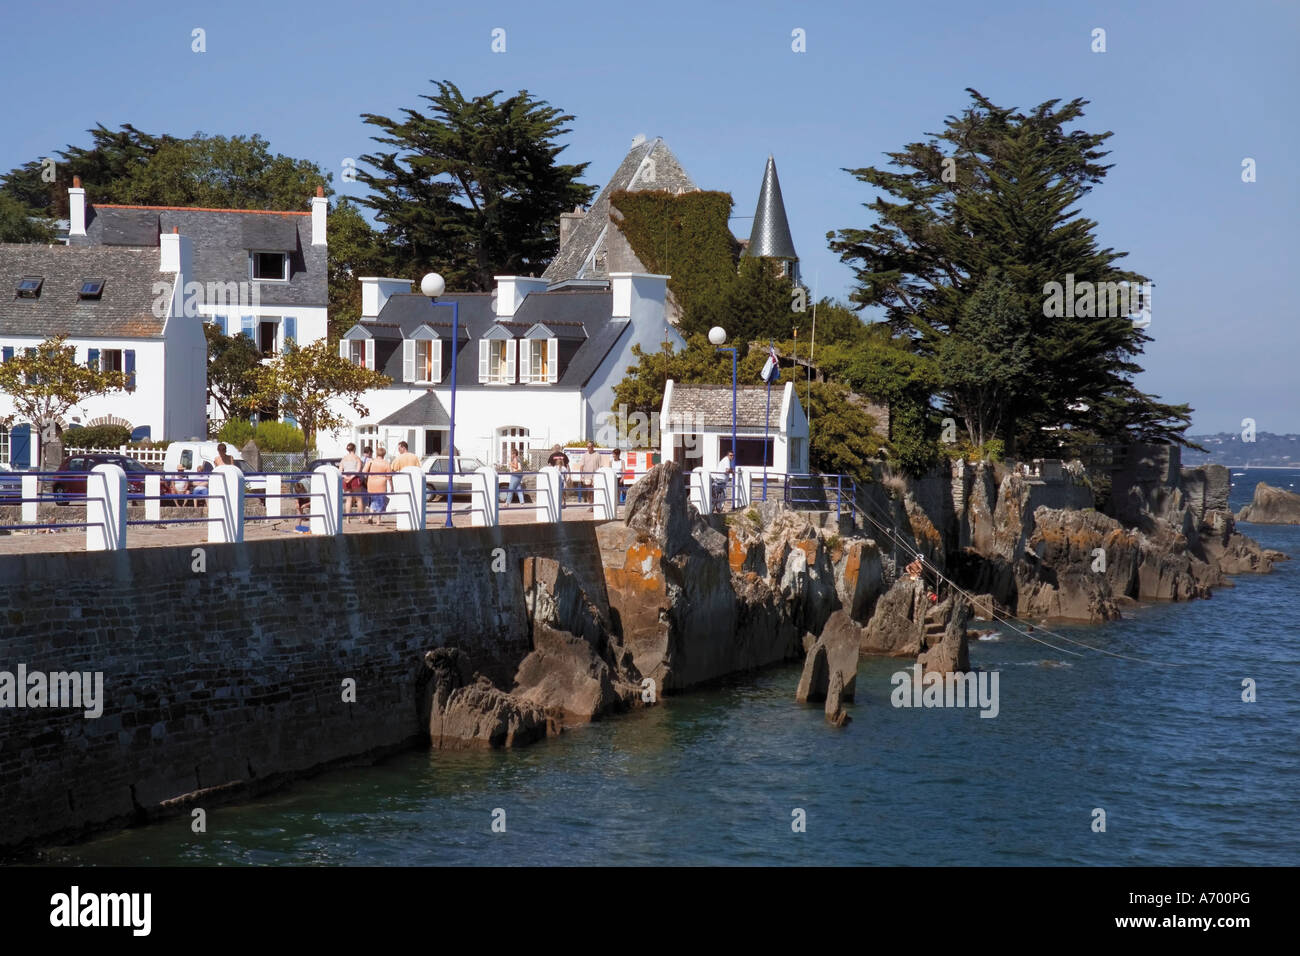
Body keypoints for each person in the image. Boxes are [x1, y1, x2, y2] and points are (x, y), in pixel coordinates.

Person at [363, 445, 392, 524]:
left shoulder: (371, 462)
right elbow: (389, 477)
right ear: (384, 454)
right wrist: (392, 487)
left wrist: (367, 478)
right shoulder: (386, 463)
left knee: (373, 500)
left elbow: (364, 472)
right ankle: (378, 520)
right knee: (380, 501)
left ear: (376, 454)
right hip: (381, 483)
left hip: (371, 483)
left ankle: (370, 516)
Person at [340, 442, 364, 520]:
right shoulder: (357, 458)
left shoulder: (344, 459)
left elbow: (340, 470)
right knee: (358, 499)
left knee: (348, 499)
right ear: (354, 449)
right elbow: (358, 470)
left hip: (345, 479)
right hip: (355, 479)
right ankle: (361, 517)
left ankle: (347, 518)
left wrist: (345, 477)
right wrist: (351, 477)